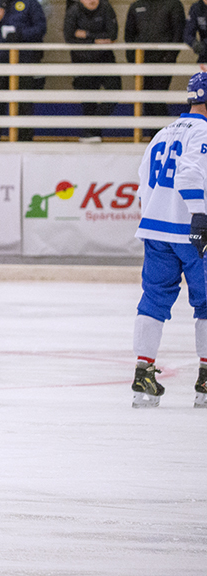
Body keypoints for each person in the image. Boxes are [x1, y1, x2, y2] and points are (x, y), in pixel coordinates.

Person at [134, 72, 207, 409]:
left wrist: (151, 217)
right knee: (205, 304)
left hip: (156, 228)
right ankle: (206, 378)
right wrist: (199, 216)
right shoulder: (204, 132)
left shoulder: (162, 133)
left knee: (153, 301)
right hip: (190, 231)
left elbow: (141, 181)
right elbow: (191, 172)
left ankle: (143, 372)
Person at [0, 0, 46, 141]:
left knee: (24, 105)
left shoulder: (30, 3)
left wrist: (20, 34)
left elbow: (41, 28)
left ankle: (24, 141)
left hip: (24, 62)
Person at [64, 0, 119, 143]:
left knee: (115, 92)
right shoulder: (73, 11)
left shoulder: (106, 7)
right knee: (88, 100)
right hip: (82, 61)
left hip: (105, 60)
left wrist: (86, 34)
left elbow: (112, 35)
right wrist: (96, 39)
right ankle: (91, 135)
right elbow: (69, 37)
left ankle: (92, 129)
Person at [124, 0, 185, 129]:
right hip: (141, 62)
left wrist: (169, 57)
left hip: (163, 61)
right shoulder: (136, 6)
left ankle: (165, 136)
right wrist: (132, 60)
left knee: (158, 98)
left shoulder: (173, 4)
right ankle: (154, 138)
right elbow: (129, 35)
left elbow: (178, 33)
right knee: (147, 101)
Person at [186, 0, 207, 64]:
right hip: (204, 57)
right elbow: (188, 33)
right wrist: (194, 43)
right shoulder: (196, 7)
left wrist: (204, 43)